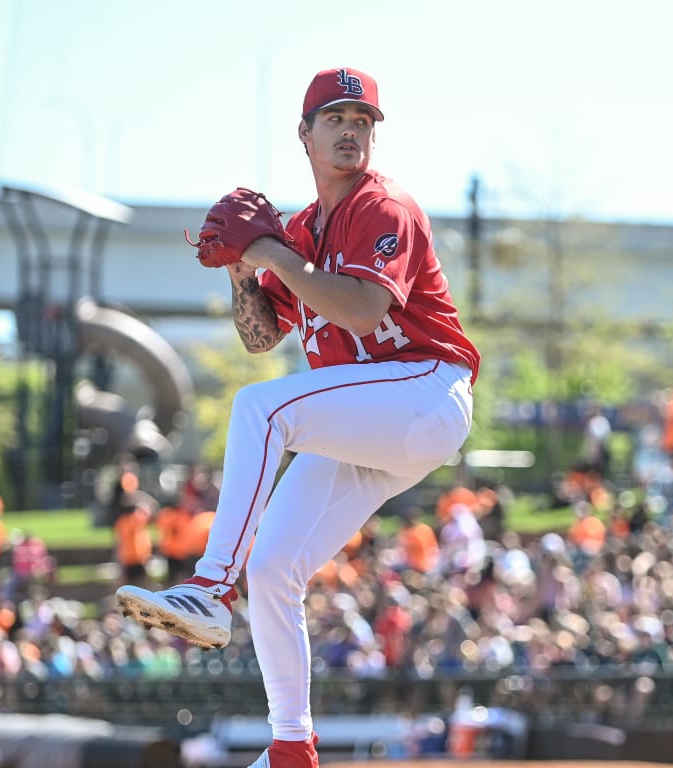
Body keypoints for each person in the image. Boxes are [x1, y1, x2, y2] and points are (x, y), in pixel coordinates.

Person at [117, 66, 480, 768]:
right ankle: (291, 746)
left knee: (261, 408)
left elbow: (365, 310)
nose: (352, 130)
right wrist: (242, 273)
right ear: (305, 134)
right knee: (276, 565)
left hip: (428, 392)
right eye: (337, 117)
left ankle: (207, 587)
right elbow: (261, 337)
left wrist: (267, 251)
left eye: (364, 120)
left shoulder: (384, 206)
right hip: (371, 421)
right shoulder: (300, 231)